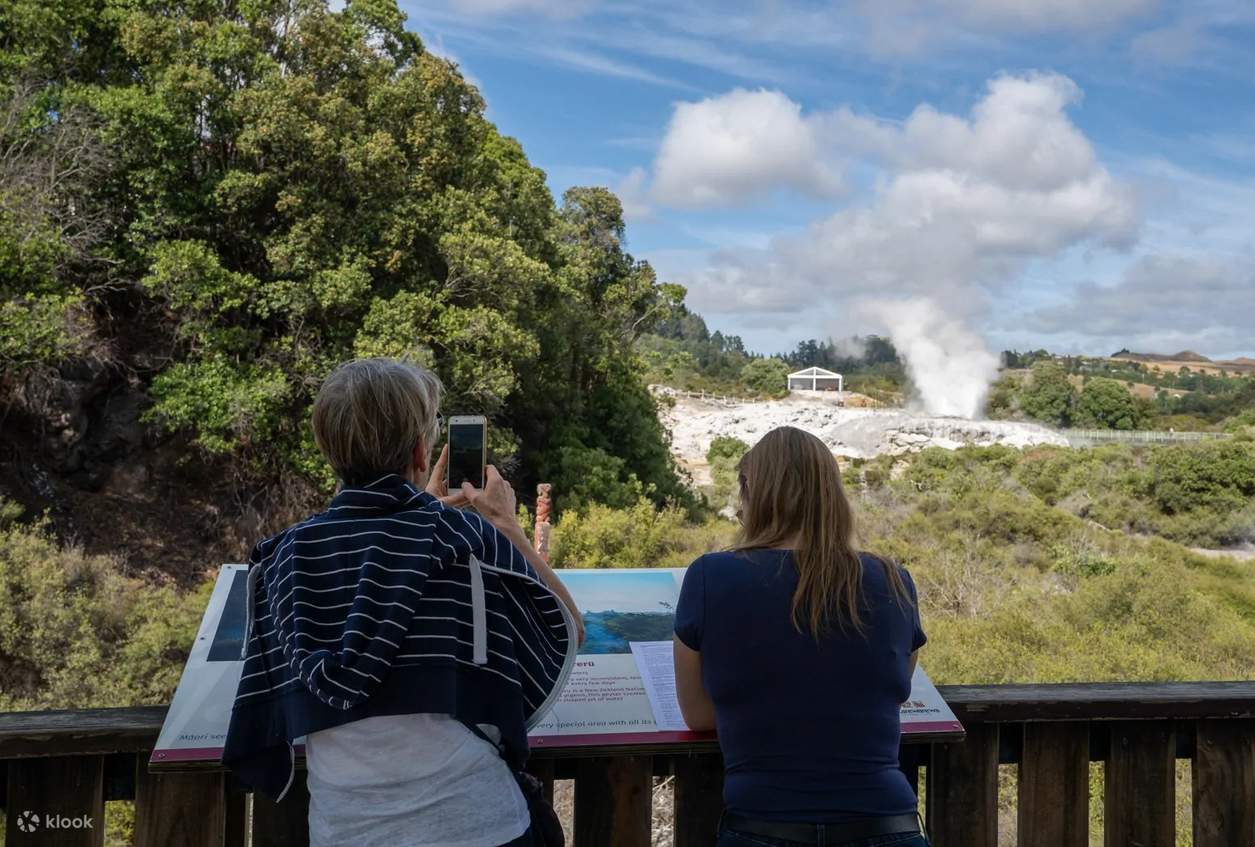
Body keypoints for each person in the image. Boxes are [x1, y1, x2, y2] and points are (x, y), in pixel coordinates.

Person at [222, 357, 583, 847]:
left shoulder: (282, 558)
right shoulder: (467, 538)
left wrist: (425, 508)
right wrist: (506, 526)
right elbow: (567, 629)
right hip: (482, 826)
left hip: (346, 832)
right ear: (420, 449)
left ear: (328, 449)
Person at [673, 426, 930, 847]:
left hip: (763, 825)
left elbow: (697, 715)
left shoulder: (710, 576)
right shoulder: (893, 580)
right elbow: (890, 693)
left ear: (752, 494)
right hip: (889, 826)